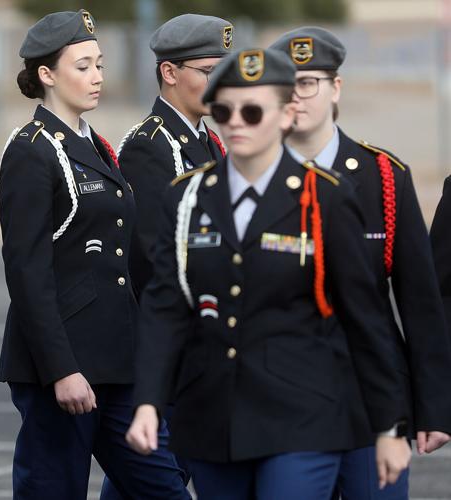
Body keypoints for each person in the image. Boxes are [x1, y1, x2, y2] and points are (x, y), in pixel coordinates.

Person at [126, 48, 412, 499]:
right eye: (223, 110)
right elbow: (166, 306)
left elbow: (366, 320)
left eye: (252, 110)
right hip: (214, 419)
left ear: (286, 114)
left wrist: (390, 426)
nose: (235, 122)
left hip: (303, 417)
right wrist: (148, 402)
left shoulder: (326, 199)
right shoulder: (188, 197)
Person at [0, 10, 189, 500]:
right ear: (47, 74)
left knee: (162, 485)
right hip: (64, 367)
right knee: (52, 489)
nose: (98, 76)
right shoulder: (32, 150)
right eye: (83, 66)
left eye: (100, 64)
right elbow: (27, 272)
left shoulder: (93, 144)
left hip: (118, 362)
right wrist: (61, 369)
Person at [269, 26, 451, 499]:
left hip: (374, 401)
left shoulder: (384, 177)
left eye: (309, 83)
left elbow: (420, 301)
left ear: (336, 88)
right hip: (282, 401)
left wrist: (433, 408)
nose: (298, 96)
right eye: (287, 84)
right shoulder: (251, 178)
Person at [119, 13, 232, 295]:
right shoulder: (149, 145)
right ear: (170, 73)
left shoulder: (210, 140)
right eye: (208, 72)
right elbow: (153, 256)